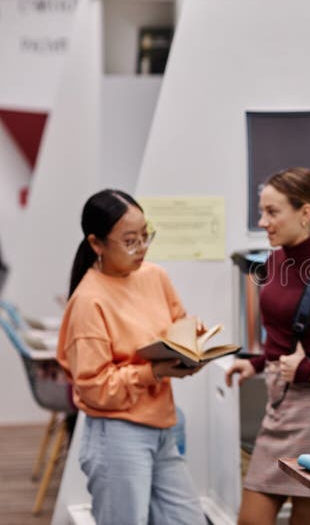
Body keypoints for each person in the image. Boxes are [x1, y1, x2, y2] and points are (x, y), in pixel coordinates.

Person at [56, 189, 205, 524]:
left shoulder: (154, 276)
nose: (142, 248)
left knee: (188, 518)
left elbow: (177, 320)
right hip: (116, 433)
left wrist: (191, 342)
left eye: (145, 236)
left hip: (162, 424)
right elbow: (94, 387)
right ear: (97, 244)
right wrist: (151, 372)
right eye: (130, 241)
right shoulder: (88, 301)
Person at [225, 167, 310, 525]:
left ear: (305, 213)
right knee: (250, 518)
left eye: (272, 212)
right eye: (262, 211)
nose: (262, 221)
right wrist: (255, 364)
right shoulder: (274, 261)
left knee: (305, 519)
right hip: (281, 403)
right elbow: (282, 336)